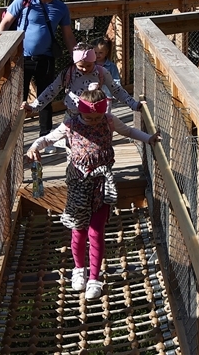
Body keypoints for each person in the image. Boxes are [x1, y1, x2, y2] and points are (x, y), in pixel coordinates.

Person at [25, 88, 159, 300]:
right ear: (80, 112)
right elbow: (48, 139)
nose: (94, 121)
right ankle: (79, 269)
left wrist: (149, 138)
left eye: (97, 117)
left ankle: (95, 278)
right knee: (78, 230)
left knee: (96, 231)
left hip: (101, 183)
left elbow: (129, 131)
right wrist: (34, 147)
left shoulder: (109, 121)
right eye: (89, 118)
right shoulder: (70, 124)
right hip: (78, 184)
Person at [0, 0, 77, 140]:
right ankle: (14, 138)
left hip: (46, 59)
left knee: (45, 98)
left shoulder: (61, 8)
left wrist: (76, 58)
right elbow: (5, 23)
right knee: (18, 99)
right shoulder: (25, 0)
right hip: (21, 59)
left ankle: (45, 138)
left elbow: (68, 36)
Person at [22, 43, 140, 139]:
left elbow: (116, 90)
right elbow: (51, 91)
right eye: (81, 66)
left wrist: (133, 104)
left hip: (94, 118)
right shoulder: (67, 74)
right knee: (72, 149)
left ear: (94, 61)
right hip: (72, 117)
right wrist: (34, 107)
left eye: (89, 66)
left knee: (96, 145)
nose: (84, 69)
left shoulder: (101, 72)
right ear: (75, 63)